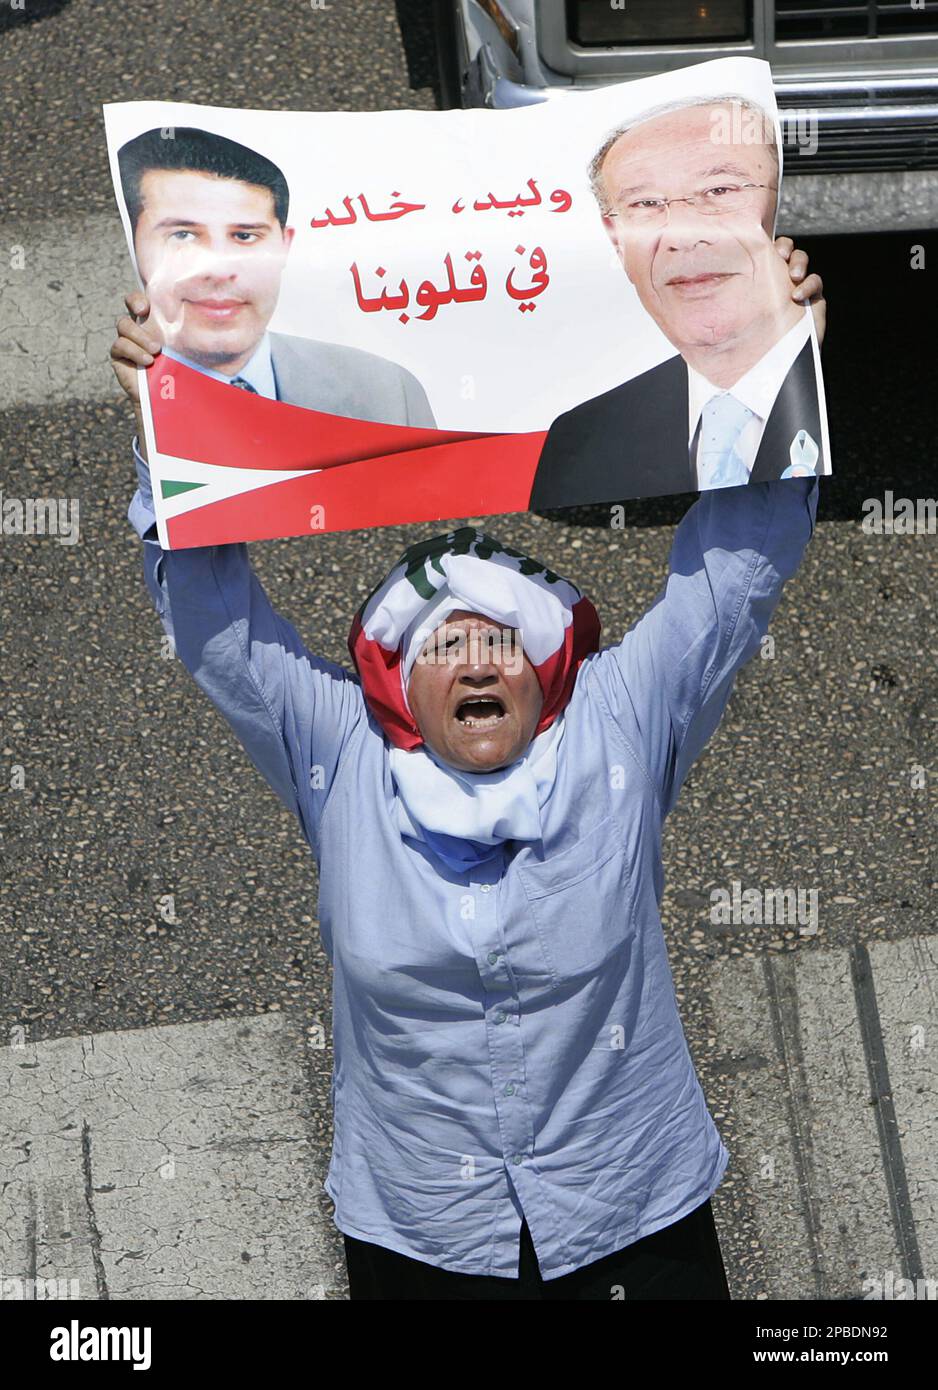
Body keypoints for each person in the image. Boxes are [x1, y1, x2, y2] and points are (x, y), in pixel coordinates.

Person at [110, 244, 824, 1298]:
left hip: (631, 1209)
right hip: (423, 1233)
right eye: (443, 646)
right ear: (400, 686)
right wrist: (171, 416)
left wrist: (772, 358)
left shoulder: (616, 727)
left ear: (547, 677)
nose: (476, 661)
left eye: (502, 644)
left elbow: (733, 574)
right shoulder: (339, 751)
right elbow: (217, 621)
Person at [530, 95, 825, 509]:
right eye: (646, 204)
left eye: (718, 190)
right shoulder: (579, 436)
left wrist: (795, 356)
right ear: (615, 238)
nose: (684, 234)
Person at [117, 126, 435, 425]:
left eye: (244, 237)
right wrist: (151, 420)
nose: (219, 270)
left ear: (284, 246)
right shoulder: (147, 394)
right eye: (183, 236)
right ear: (134, 246)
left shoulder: (390, 391)